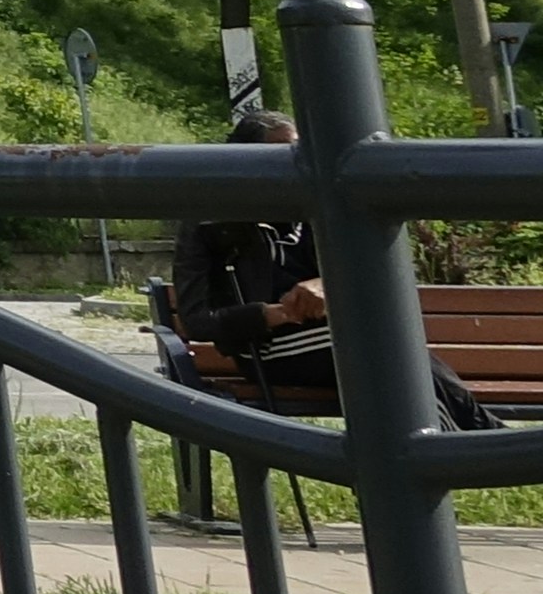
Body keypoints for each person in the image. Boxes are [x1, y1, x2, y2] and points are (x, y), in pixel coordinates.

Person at [176, 109, 499, 428]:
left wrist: (327, 285)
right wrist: (275, 313)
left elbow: (372, 276)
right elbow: (197, 321)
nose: (293, 162)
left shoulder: (318, 210)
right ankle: (481, 439)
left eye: (297, 151)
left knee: (385, 349)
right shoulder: (210, 223)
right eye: (281, 152)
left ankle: (464, 443)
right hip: (268, 349)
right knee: (382, 343)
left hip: (335, 335)